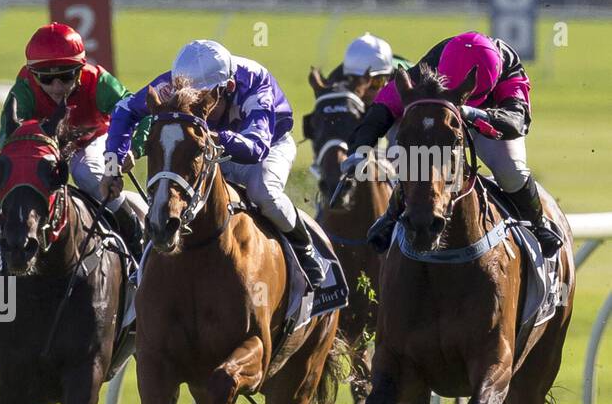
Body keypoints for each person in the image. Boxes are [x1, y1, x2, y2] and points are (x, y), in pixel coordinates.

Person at [107, 39, 327, 289]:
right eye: (189, 97)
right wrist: (114, 157)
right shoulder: (176, 82)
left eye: (202, 99)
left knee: (263, 192)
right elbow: (125, 109)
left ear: (228, 87)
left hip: (267, 146)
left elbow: (256, 147)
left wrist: (215, 138)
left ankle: (304, 249)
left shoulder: (255, 82)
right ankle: (149, 259)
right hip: (204, 145)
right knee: (173, 190)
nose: (194, 106)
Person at [345, 31, 562, 256]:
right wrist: (360, 147)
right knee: (420, 154)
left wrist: (475, 114)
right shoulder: (431, 64)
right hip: (446, 121)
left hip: (492, 121)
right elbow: (385, 105)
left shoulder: (510, 71)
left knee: (511, 170)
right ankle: (392, 215)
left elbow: (517, 122)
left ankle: (538, 223)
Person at [0, 22, 149, 260]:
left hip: (98, 142)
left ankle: (134, 237)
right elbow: (6, 137)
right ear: (33, 74)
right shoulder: (23, 88)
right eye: (47, 79)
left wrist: (132, 150)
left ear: (80, 68)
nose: (57, 87)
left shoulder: (99, 82)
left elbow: (140, 112)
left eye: (66, 77)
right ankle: (1, 239)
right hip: (46, 146)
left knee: (87, 172)